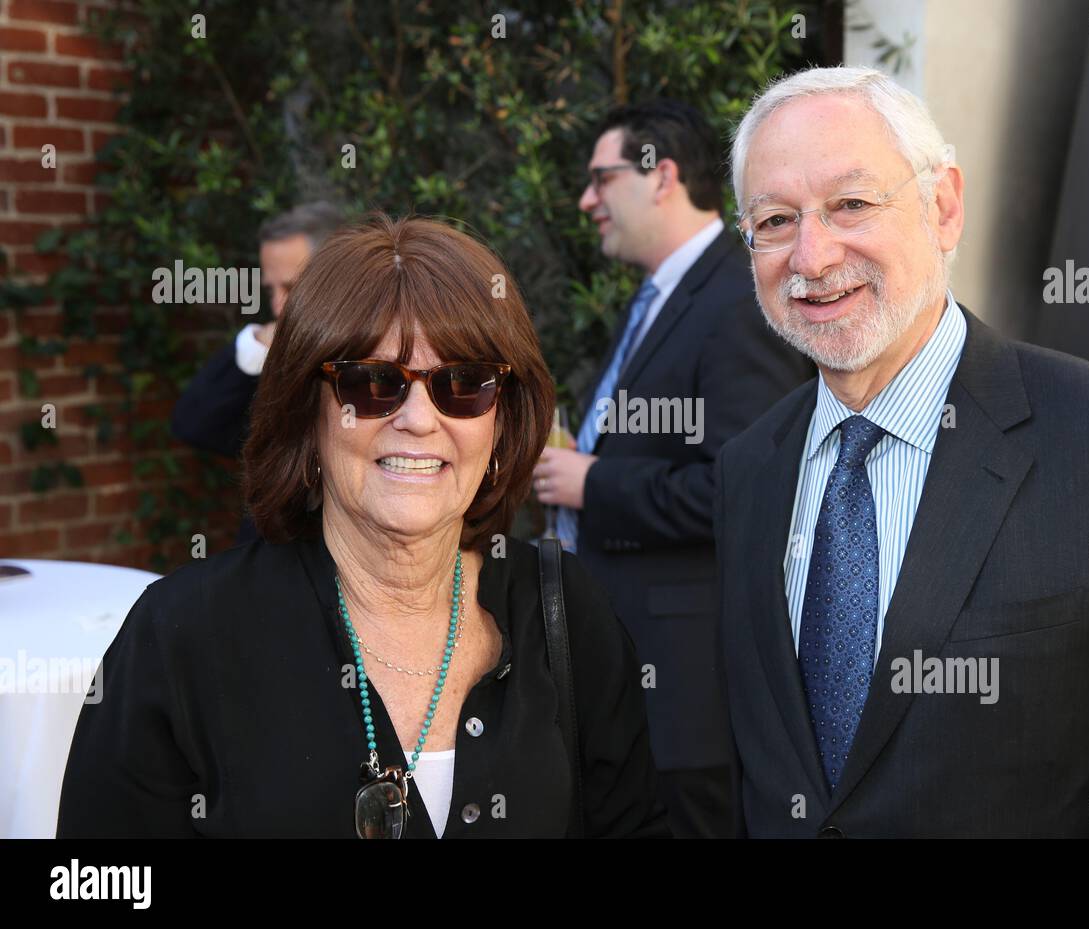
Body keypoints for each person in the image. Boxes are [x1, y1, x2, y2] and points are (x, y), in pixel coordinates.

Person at [714, 66, 1089, 837]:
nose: (813, 256)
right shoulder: (749, 470)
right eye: (776, 220)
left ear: (944, 206)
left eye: (851, 204)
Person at [59, 215, 668, 838]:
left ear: (502, 422)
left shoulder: (561, 611)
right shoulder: (181, 635)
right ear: (307, 414)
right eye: (374, 383)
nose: (418, 420)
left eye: (462, 384)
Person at [531, 99, 811, 838]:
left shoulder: (738, 298)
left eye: (601, 178)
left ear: (661, 176)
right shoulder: (661, 296)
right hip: (632, 677)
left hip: (687, 699)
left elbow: (745, 486)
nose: (587, 199)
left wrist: (590, 483)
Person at [171, 201, 344, 543]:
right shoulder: (271, 359)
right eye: (271, 289)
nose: (278, 305)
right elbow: (193, 424)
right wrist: (256, 348)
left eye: (291, 288)